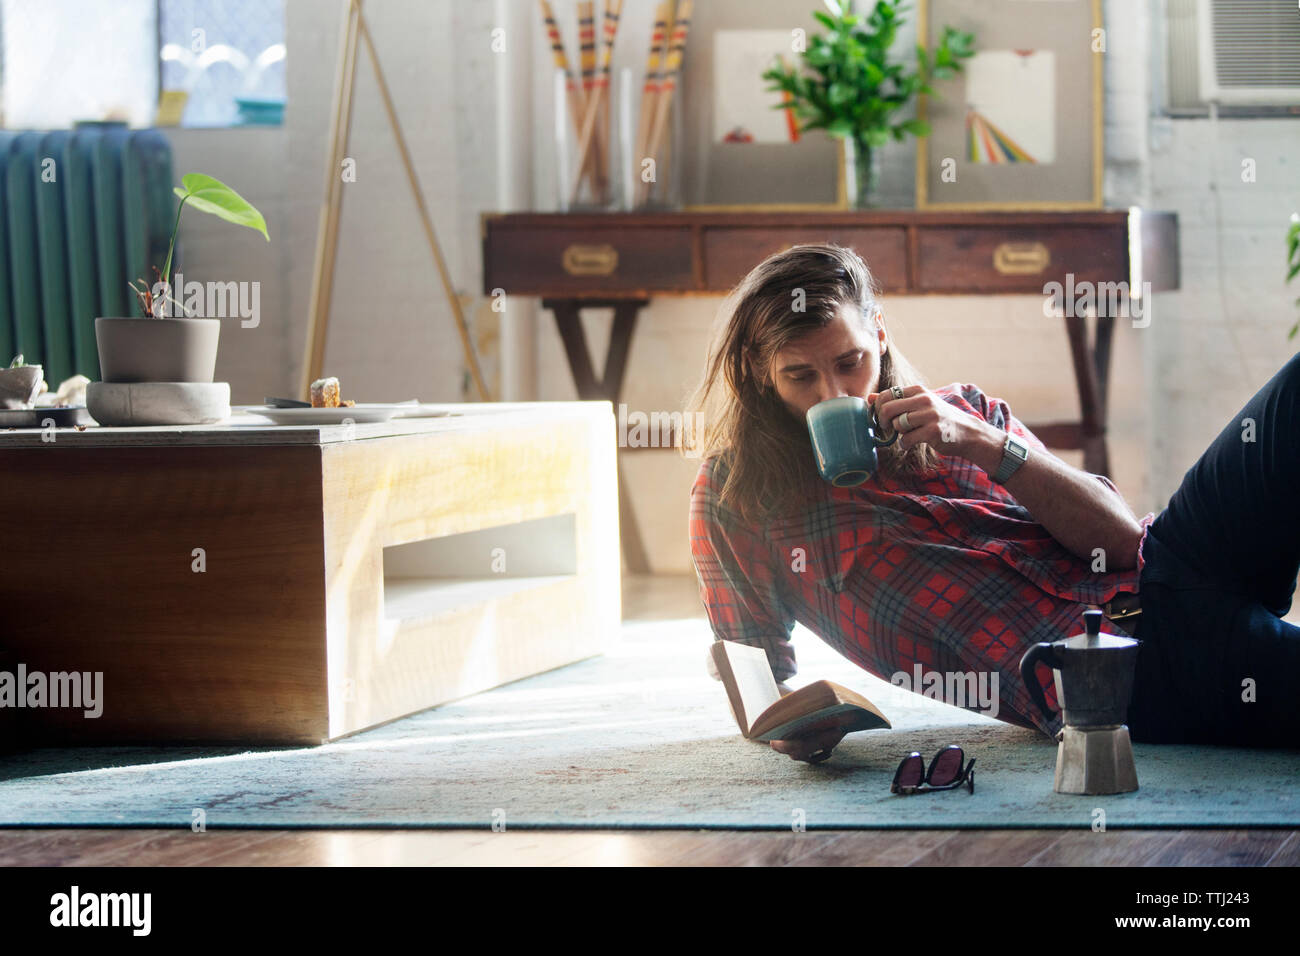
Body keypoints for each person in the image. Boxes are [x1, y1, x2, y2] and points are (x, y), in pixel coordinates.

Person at [684, 243, 1300, 762]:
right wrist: (798, 730)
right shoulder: (735, 498)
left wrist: (982, 441)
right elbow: (755, 673)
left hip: (1175, 560)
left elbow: (1119, 543)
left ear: (878, 335)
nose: (836, 392)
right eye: (801, 376)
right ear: (760, 374)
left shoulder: (967, 412)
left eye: (851, 362)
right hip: (1123, 676)